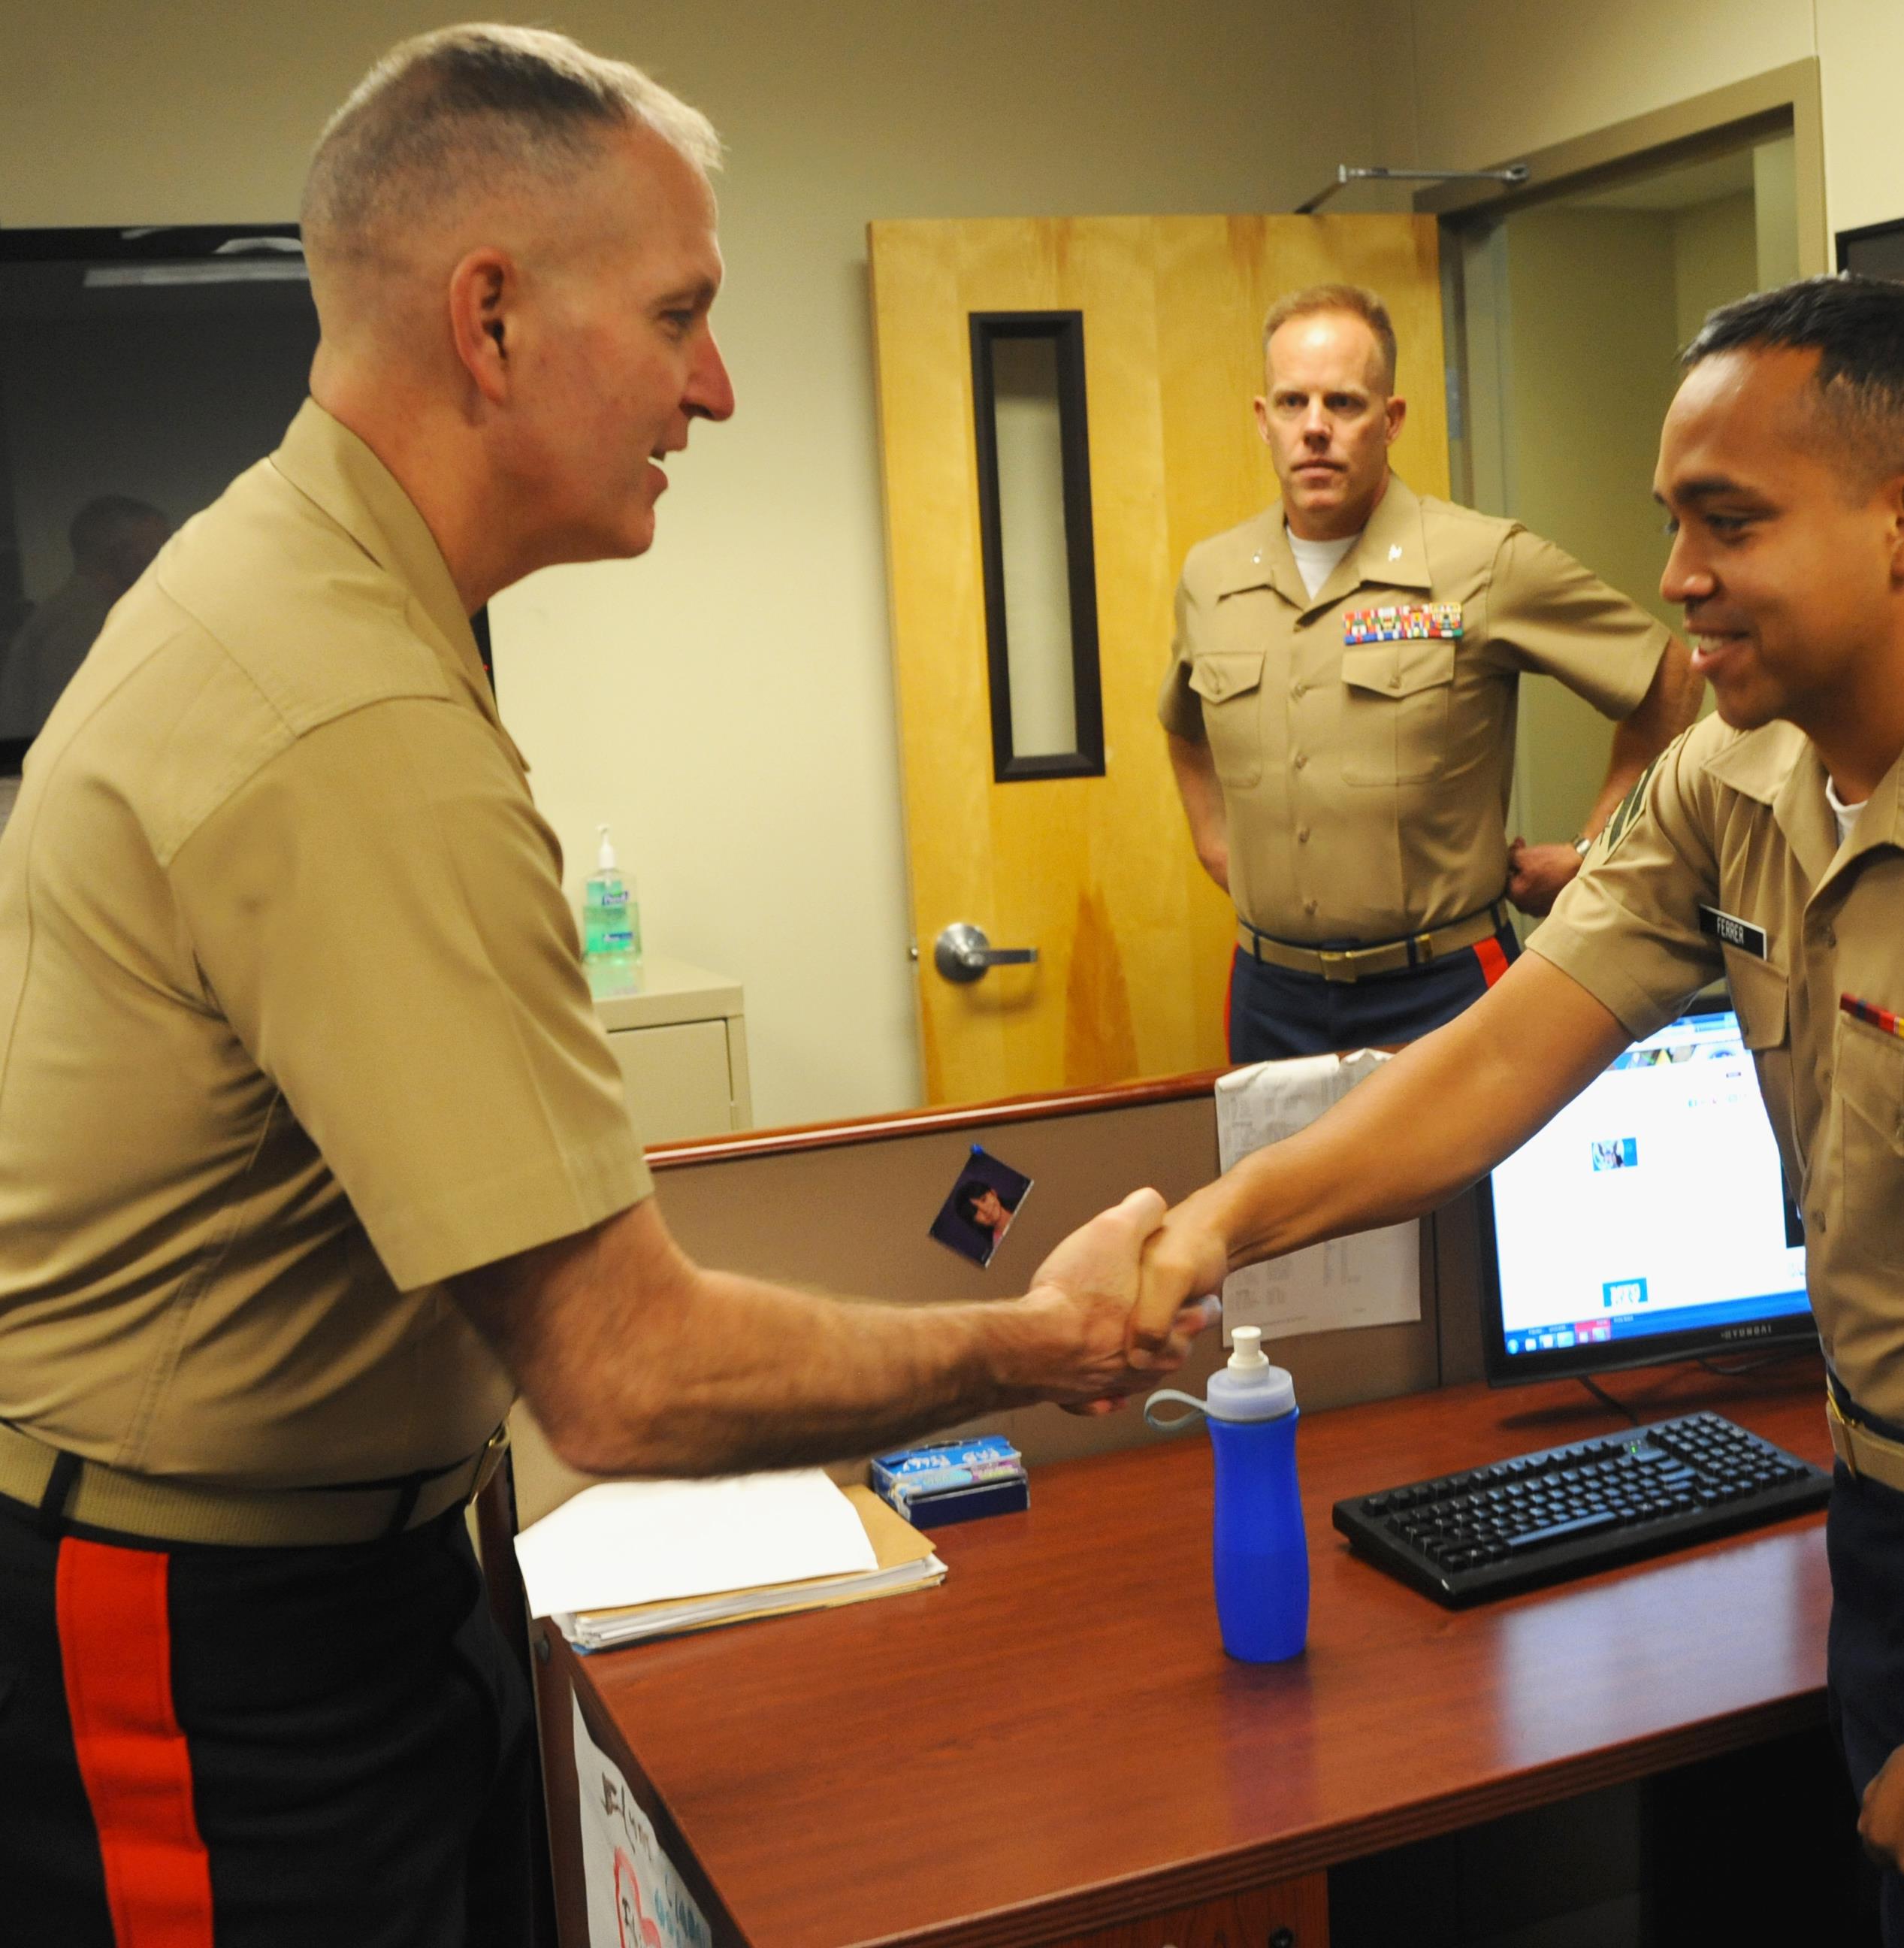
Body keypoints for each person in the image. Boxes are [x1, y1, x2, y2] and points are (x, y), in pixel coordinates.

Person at [0, 28, 1201, 1946]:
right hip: (204, 1644)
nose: (714, 388)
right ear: (489, 317)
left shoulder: (337, 589)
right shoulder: (341, 702)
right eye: (680, 316)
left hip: (354, 1575)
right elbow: (625, 1377)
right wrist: (1034, 1343)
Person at [1139, 274, 1904, 1946]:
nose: (1677, 577)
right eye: (1673, 520)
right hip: (1886, 1530)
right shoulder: (1739, 779)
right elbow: (1492, 1056)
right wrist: (1217, 1226)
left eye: (1726, 522)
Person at [1160, 282, 1703, 1063]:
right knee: (1278, 1188)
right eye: (1292, 404)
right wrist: (1219, 850)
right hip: (1269, 992)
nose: (1314, 429)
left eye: (1343, 404)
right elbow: (1184, 727)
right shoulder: (1212, 576)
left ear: (1391, 420)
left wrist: (1592, 851)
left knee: (1459, 1192)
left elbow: (1668, 676)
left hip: (1441, 988)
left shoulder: (1481, 560)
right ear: (1262, 420)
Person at [0, 493, 171, 744]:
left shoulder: (76, 611)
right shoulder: (83, 623)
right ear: (122, 554)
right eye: (158, 549)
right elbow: (71, 737)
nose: (167, 559)